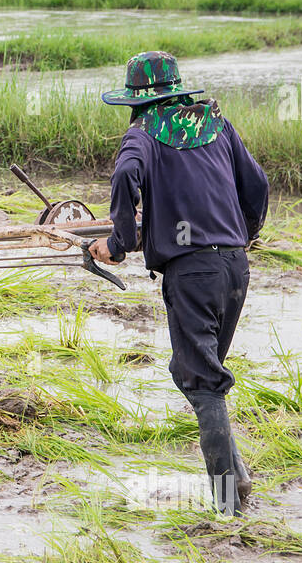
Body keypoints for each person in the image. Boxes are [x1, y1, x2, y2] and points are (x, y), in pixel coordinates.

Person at [89, 51, 269, 516]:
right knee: (205, 375)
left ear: (137, 101)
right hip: (235, 268)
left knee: (201, 381)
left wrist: (119, 241)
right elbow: (258, 185)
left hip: (192, 275)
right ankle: (240, 481)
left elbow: (128, 175)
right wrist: (241, 234)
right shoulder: (215, 124)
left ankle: (229, 509)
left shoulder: (142, 135)